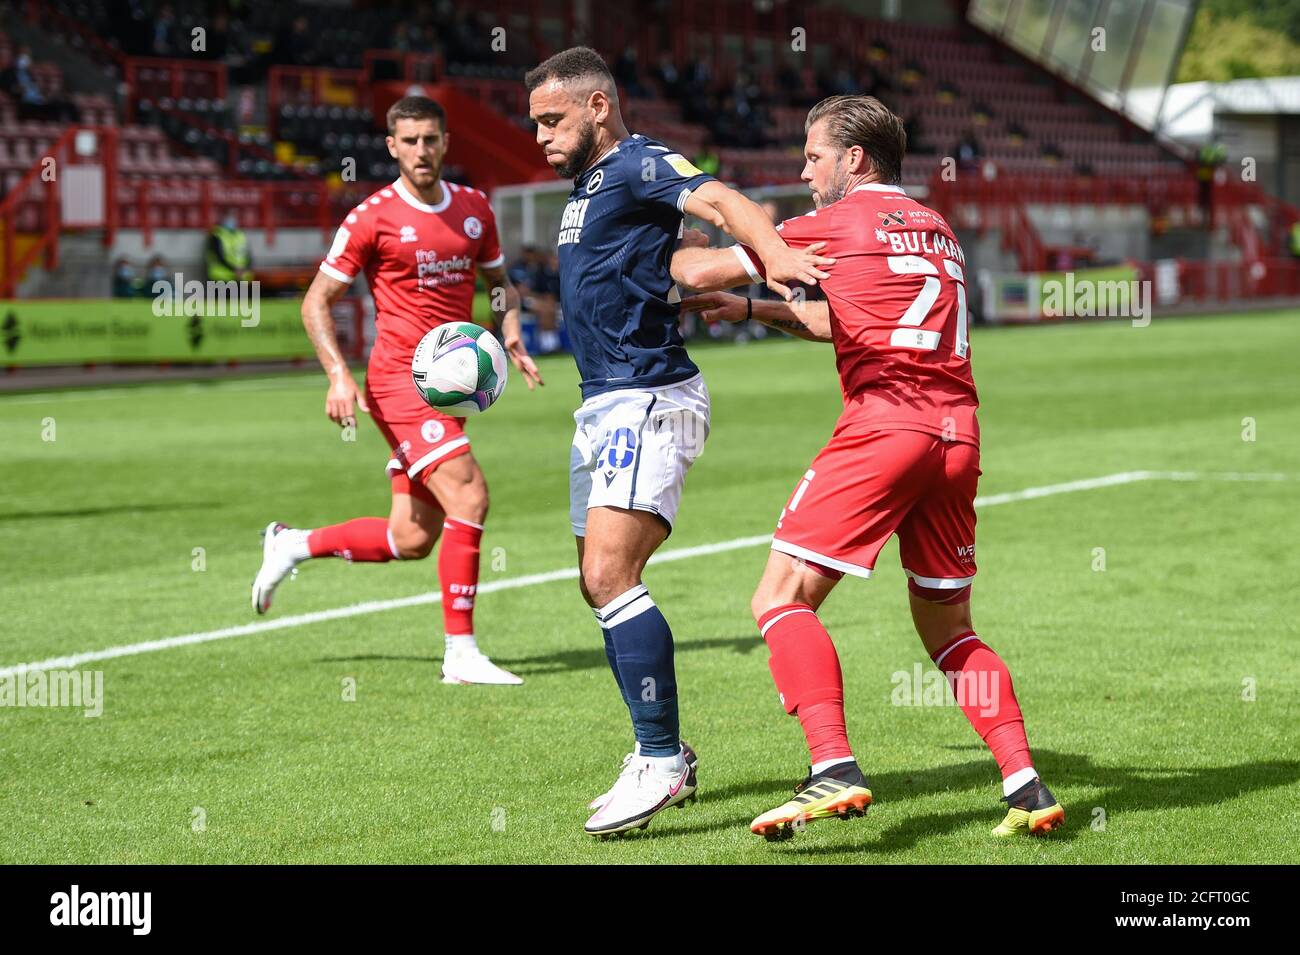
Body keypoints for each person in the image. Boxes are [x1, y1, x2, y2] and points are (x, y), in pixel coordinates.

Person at [670, 94, 1063, 841]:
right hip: (958, 436)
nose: (805, 171)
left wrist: (642, 236)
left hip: (887, 424)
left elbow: (695, 269)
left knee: (780, 596)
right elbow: (852, 318)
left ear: (855, 159)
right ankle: (1024, 780)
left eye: (814, 156)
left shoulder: (832, 222)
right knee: (949, 628)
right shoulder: (938, 229)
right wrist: (755, 311)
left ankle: (832, 766)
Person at [525, 46, 832, 837]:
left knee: (609, 570)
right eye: (534, 125)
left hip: (649, 396)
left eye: (553, 120)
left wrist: (774, 254)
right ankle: (656, 748)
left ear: (599, 106)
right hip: (601, 404)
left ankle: (662, 757)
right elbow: (663, 269)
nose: (541, 138)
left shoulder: (636, 161)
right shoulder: (586, 189)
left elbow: (720, 198)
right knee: (599, 583)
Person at [250, 95, 543, 686]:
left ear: (445, 142)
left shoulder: (474, 209)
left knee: (410, 537)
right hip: (398, 381)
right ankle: (460, 653)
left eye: (430, 139)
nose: (421, 151)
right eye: (409, 141)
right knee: (470, 497)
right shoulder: (371, 217)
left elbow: (498, 284)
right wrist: (337, 373)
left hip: (449, 388)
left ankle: (291, 544)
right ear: (391, 146)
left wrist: (508, 331)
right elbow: (317, 302)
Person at [206, 210, 252, 283]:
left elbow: (248, 255)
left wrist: (245, 269)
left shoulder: (241, 235)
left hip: (241, 277)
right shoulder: (216, 236)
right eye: (228, 219)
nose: (231, 221)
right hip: (221, 277)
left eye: (233, 218)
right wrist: (234, 269)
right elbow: (219, 256)